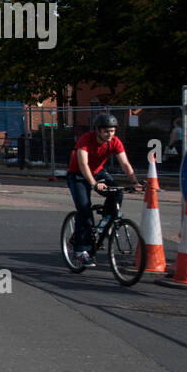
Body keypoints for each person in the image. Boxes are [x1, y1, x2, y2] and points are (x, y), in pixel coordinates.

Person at [66, 113, 142, 266]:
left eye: (113, 131)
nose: (110, 134)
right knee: (84, 209)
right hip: (78, 175)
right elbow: (83, 165)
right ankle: (81, 250)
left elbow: (125, 164)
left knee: (117, 192)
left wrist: (135, 182)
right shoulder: (85, 140)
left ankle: (105, 221)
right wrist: (94, 184)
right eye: (107, 131)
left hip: (97, 171)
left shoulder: (114, 142)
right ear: (98, 130)